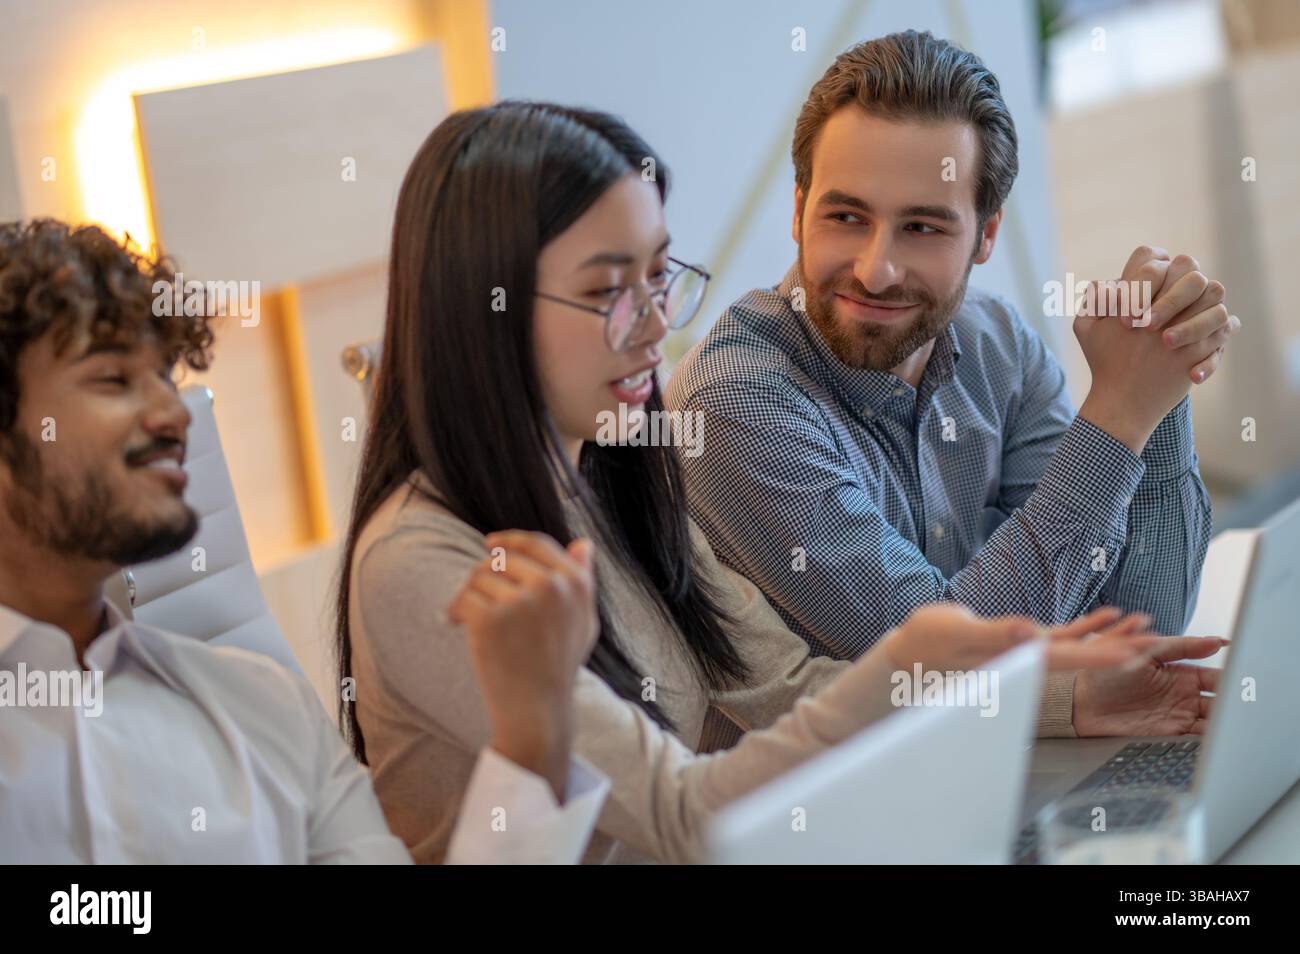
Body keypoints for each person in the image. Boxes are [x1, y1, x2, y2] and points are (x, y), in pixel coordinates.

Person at [336, 101, 1202, 865]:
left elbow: (789, 687)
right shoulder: (429, 566)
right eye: (610, 291)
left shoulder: (613, 481)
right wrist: (915, 651)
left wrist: (1073, 700)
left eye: (659, 277)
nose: (657, 329)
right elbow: (683, 817)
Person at [666, 31, 1234, 739]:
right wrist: (1118, 412)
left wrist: (1159, 370)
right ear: (797, 209)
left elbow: (1133, 636)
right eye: (846, 217)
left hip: (995, 773)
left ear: (986, 235)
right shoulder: (733, 402)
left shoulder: (999, 344)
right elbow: (946, 674)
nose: (876, 270)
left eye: (923, 227)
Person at [0, 218, 604, 864]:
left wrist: (532, 730)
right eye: (114, 379)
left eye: (166, 377)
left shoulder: (266, 708)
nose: (174, 415)